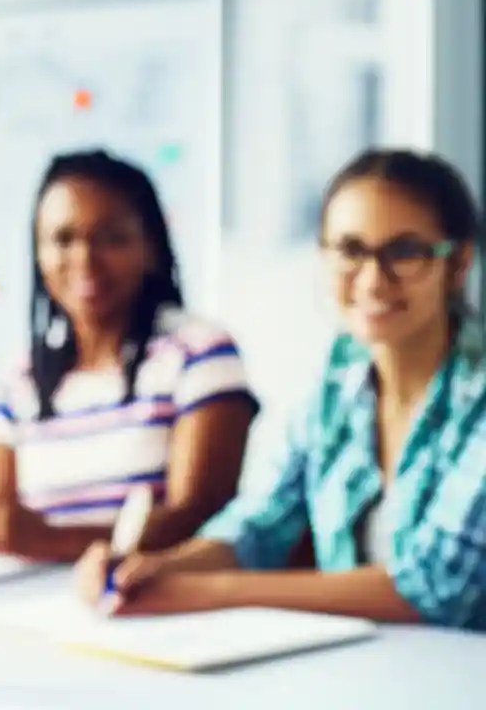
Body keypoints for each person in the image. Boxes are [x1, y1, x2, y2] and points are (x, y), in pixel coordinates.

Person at [75, 149, 486, 630]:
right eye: (351, 251)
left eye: (405, 251)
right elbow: (256, 527)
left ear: (457, 263)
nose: (373, 279)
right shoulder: (339, 388)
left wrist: (211, 591)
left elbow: (436, 589)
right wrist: (150, 569)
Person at [0, 150, 258, 562]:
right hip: (31, 609)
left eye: (112, 238)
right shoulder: (23, 377)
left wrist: (51, 542)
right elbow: (2, 522)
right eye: (63, 239)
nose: (85, 260)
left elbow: (199, 518)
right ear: (39, 253)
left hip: (151, 605)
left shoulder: (199, 352)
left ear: (151, 247)